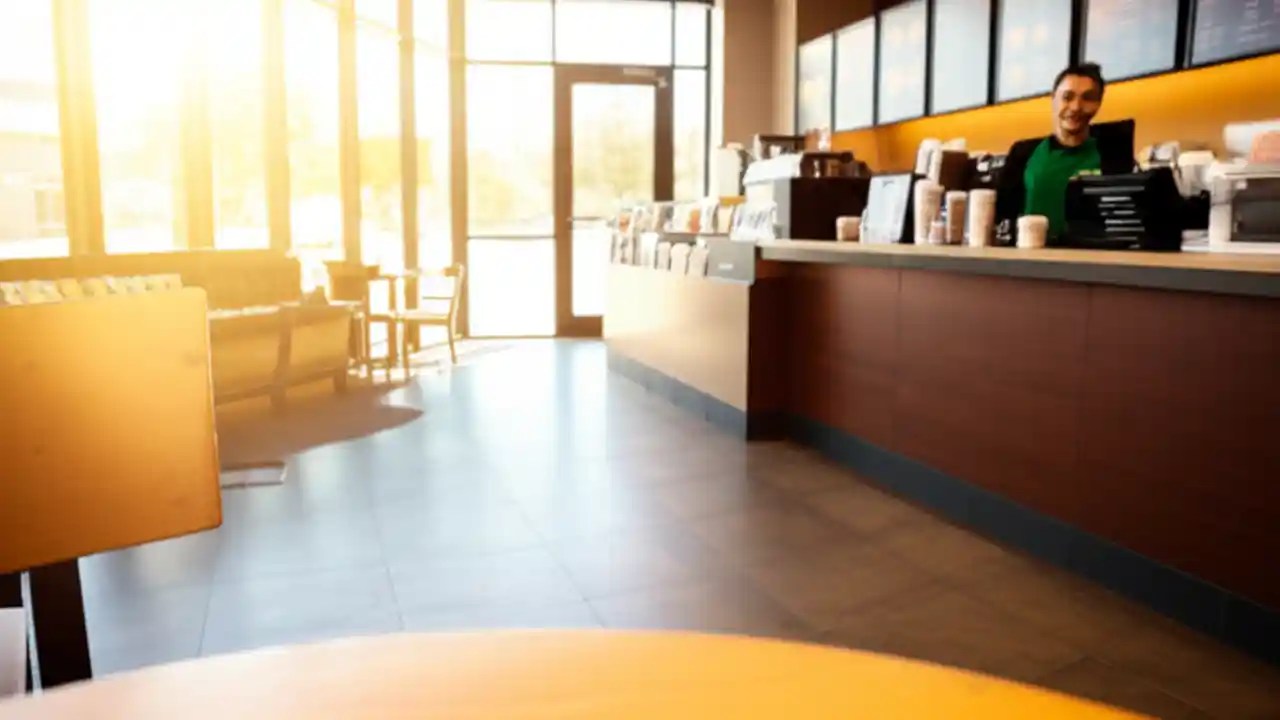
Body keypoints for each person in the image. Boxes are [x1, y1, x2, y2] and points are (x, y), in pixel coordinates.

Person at [996, 63, 1135, 241]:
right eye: (1067, 97)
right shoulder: (1023, 153)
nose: (1076, 107)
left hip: (1091, 260)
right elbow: (1002, 214)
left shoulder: (1113, 156)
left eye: (1088, 98)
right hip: (1029, 259)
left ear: (1099, 103)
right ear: (1053, 99)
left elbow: (1123, 220)